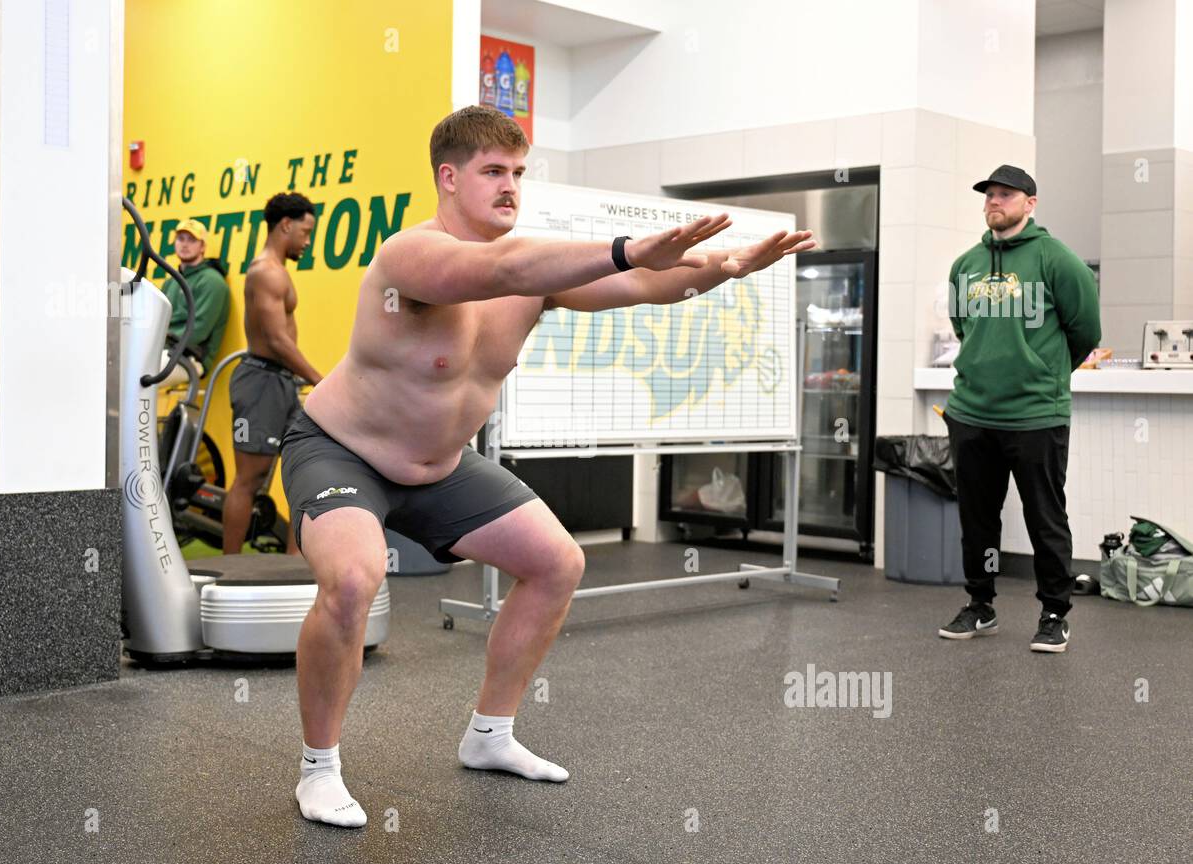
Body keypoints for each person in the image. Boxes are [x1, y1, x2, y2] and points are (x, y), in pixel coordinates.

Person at [281, 105, 814, 826]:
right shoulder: (409, 256)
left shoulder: (536, 277)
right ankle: (319, 769)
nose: (510, 186)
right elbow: (500, 267)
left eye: (519, 173)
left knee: (557, 563)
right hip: (341, 451)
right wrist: (628, 247)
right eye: (493, 172)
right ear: (448, 176)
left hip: (441, 468)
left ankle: (490, 735)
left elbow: (646, 287)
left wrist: (726, 268)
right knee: (351, 580)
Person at [939, 164, 1101, 654]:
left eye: (1005, 195)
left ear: (1030, 203)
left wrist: (1041, 374)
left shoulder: (1057, 260)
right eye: (989, 195)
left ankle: (1055, 613)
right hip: (971, 412)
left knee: (1045, 518)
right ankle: (981, 604)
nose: (994, 202)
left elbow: (1086, 332)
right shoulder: (965, 265)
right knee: (979, 520)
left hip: (1035, 415)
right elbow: (962, 327)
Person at [223, 193, 324, 555]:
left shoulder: (279, 271)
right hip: (261, 382)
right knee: (250, 479)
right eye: (306, 231)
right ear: (286, 225)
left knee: (302, 473)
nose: (307, 241)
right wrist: (319, 379)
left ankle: (294, 565)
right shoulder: (265, 272)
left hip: (281, 382)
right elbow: (277, 340)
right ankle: (230, 568)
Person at [160, 218, 230, 385]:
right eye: (180, 239)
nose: (185, 244)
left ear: (203, 247)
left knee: (136, 373)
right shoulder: (170, 282)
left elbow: (198, 331)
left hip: (191, 358)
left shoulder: (212, 281)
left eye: (192, 240)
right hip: (165, 351)